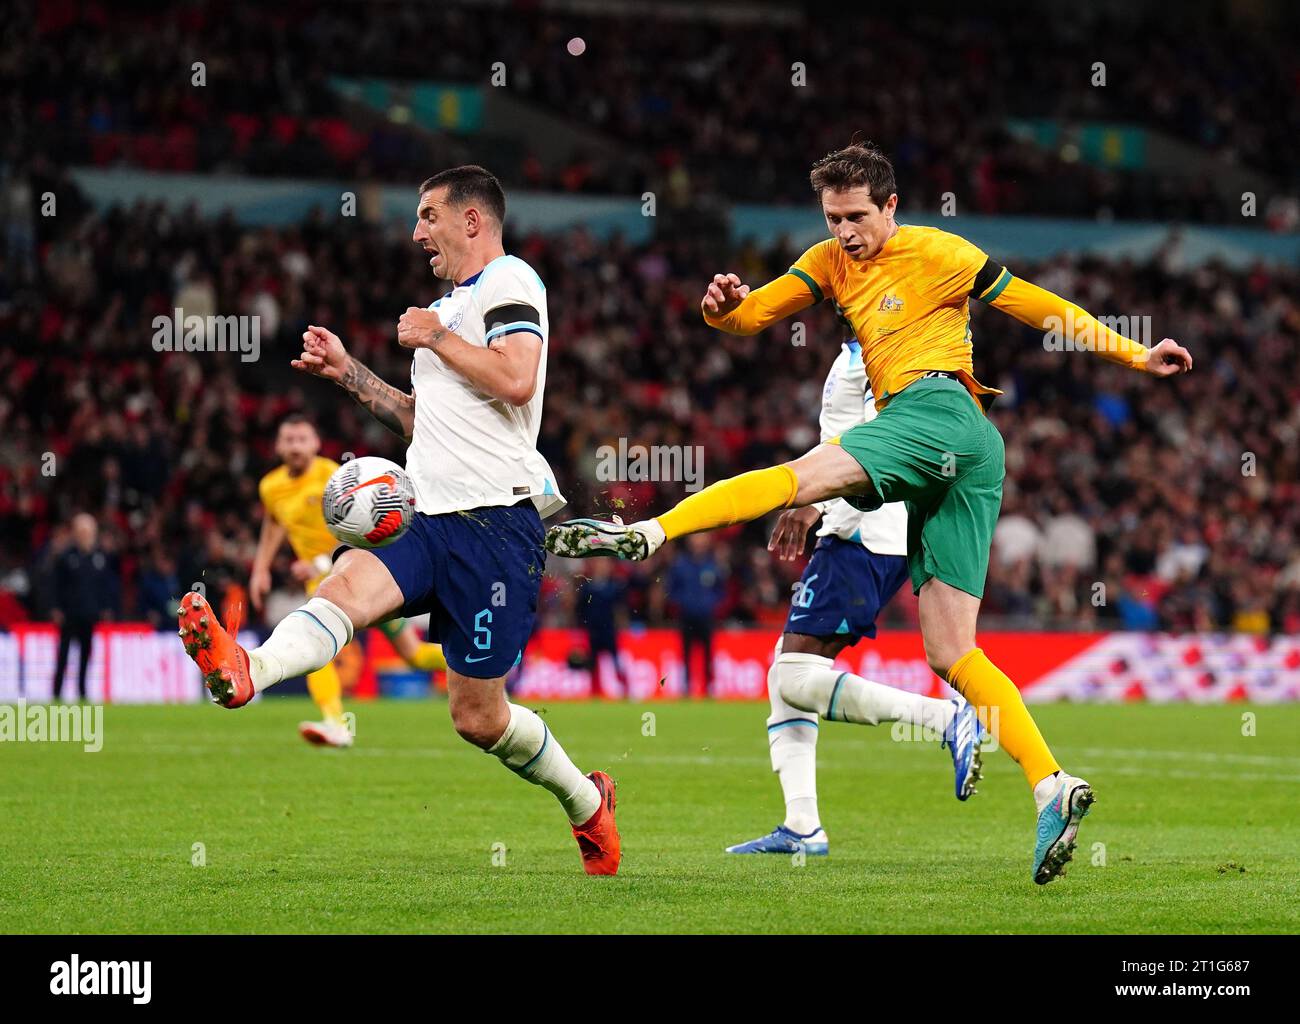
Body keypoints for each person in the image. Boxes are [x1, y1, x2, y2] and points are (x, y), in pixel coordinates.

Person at [545, 143, 1193, 884]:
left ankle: (647, 531)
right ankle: (1051, 784)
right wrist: (719, 310)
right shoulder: (827, 262)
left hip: (939, 411)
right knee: (953, 653)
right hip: (966, 452)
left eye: (857, 216)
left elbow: (1039, 307)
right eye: (833, 217)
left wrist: (1133, 355)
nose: (846, 231)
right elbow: (753, 316)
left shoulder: (941, 251)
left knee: (793, 480)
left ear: (891, 206)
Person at [178, 166, 619, 874]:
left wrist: (435, 338)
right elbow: (418, 419)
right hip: (426, 510)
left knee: (478, 718)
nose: (417, 232)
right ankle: (248, 668)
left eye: (428, 216)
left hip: (495, 526)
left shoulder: (510, 282)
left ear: (472, 220)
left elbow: (516, 378)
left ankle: (588, 805)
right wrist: (350, 373)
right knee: (343, 591)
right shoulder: (448, 310)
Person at [726, 337, 985, 857]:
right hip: (862, 532)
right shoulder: (859, 350)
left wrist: (813, 502)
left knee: (793, 675)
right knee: (787, 669)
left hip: (862, 533)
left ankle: (945, 718)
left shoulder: (881, 353)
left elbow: (875, 447)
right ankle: (801, 824)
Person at [248, 413, 445, 747]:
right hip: (323, 586)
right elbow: (273, 524)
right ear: (278, 446)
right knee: (322, 649)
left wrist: (321, 562)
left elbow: (362, 527)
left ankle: (486, 660)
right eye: (289, 440)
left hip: (361, 575)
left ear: (316, 444)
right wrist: (260, 568)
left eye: (302, 439)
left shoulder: (334, 478)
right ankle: (336, 724)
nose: (295, 447)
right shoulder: (271, 487)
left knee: (411, 655)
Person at [50, 513, 119, 700]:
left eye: (88, 531)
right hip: (69, 614)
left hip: (89, 614)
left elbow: (105, 585)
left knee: (85, 655)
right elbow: (56, 584)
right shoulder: (66, 557)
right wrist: (56, 607)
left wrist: (105, 606)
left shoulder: (99, 557)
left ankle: (82, 691)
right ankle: (56, 692)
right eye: (82, 531)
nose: (85, 535)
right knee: (63, 655)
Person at [666, 534, 726, 697]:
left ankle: (709, 688)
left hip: (706, 617)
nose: (698, 542)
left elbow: (721, 590)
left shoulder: (712, 564)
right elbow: (671, 590)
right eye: (696, 539)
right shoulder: (680, 564)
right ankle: (686, 688)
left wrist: (711, 603)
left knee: (708, 654)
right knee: (686, 653)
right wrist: (683, 602)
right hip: (686, 616)